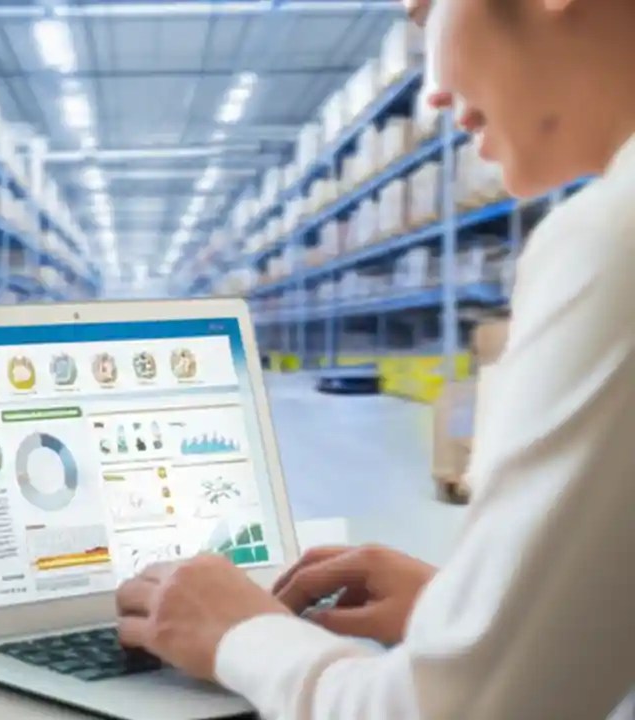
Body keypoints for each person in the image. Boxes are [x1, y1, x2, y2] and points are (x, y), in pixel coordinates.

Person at [116, 0, 635, 717]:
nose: (436, 93)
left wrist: (243, 635)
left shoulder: (614, 239)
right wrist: (483, 617)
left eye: (426, 15)